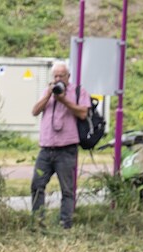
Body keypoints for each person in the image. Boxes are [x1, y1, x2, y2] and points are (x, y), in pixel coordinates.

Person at [30, 60, 90, 230]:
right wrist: (49, 94)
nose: (57, 79)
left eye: (61, 76)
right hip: (46, 148)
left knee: (67, 190)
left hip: (67, 149)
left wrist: (64, 100)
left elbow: (83, 113)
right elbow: (35, 111)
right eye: (55, 76)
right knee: (37, 185)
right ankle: (37, 221)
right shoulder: (47, 91)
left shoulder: (79, 92)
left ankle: (65, 224)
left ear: (68, 77)